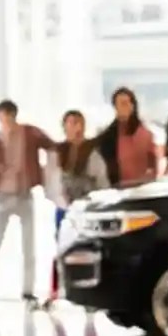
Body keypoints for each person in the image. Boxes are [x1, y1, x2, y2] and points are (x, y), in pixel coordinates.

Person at [0, 100, 58, 311]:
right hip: (3, 196)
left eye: (8, 116)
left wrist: (46, 174)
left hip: (24, 194)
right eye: (2, 117)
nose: (5, 121)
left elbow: (52, 146)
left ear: (14, 115)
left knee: (28, 245)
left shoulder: (30, 134)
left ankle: (27, 291)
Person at [43, 110, 110, 308]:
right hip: (64, 208)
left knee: (88, 250)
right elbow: (50, 181)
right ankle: (55, 291)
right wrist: (62, 201)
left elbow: (102, 180)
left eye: (79, 123)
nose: (76, 128)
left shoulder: (92, 152)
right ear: (65, 127)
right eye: (71, 123)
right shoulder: (57, 152)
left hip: (87, 209)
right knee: (61, 249)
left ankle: (90, 296)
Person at [98, 87, 157, 187]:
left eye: (127, 103)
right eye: (121, 104)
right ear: (115, 107)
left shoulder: (145, 134)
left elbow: (152, 164)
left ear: (133, 106)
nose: (124, 107)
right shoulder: (106, 137)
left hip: (143, 188)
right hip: (117, 189)